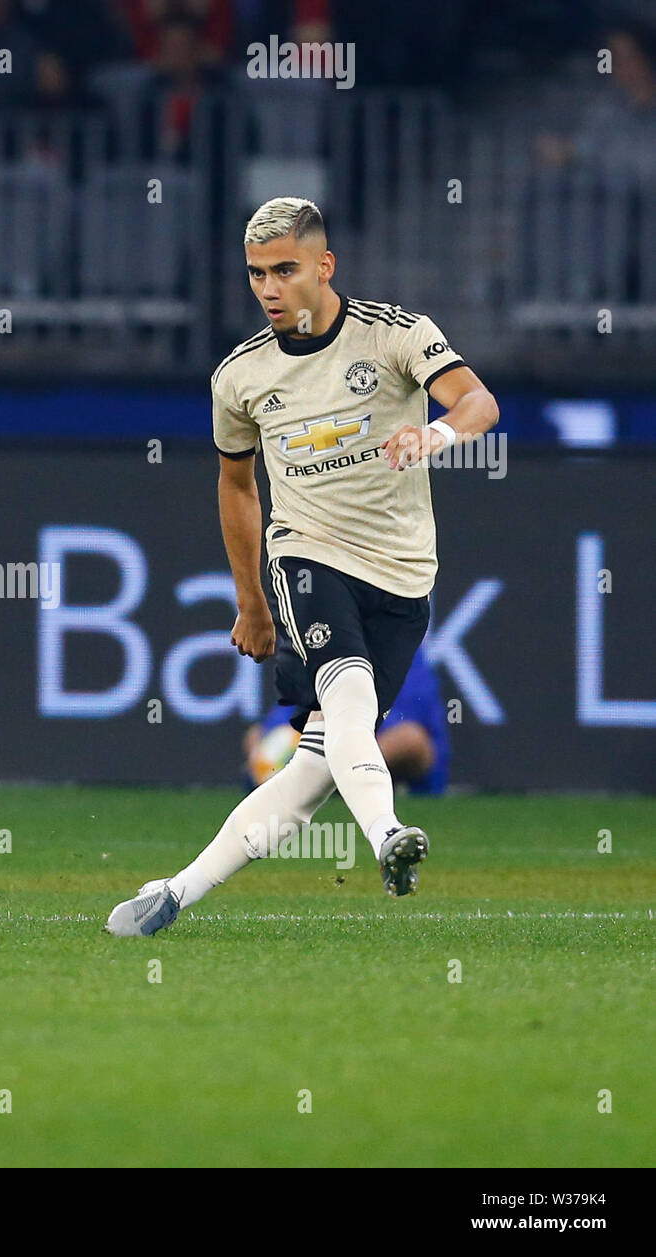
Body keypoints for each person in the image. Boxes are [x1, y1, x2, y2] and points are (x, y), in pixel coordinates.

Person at [107, 196, 499, 936]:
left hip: (404, 574)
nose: (269, 288)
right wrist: (251, 600)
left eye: (285, 269)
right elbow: (235, 483)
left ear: (324, 266)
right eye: (256, 273)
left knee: (315, 767)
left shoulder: (396, 336)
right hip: (306, 554)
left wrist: (436, 436)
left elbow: (479, 403)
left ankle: (173, 892)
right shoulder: (241, 376)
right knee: (348, 699)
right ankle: (389, 834)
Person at [244, 650, 450, 795]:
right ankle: (314, 781)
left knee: (408, 739)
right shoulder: (317, 643)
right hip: (320, 751)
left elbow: (412, 739)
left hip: (390, 766)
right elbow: (284, 718)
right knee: (257, 737)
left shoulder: (400, 646)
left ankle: (332, 778)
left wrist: (338, 765)